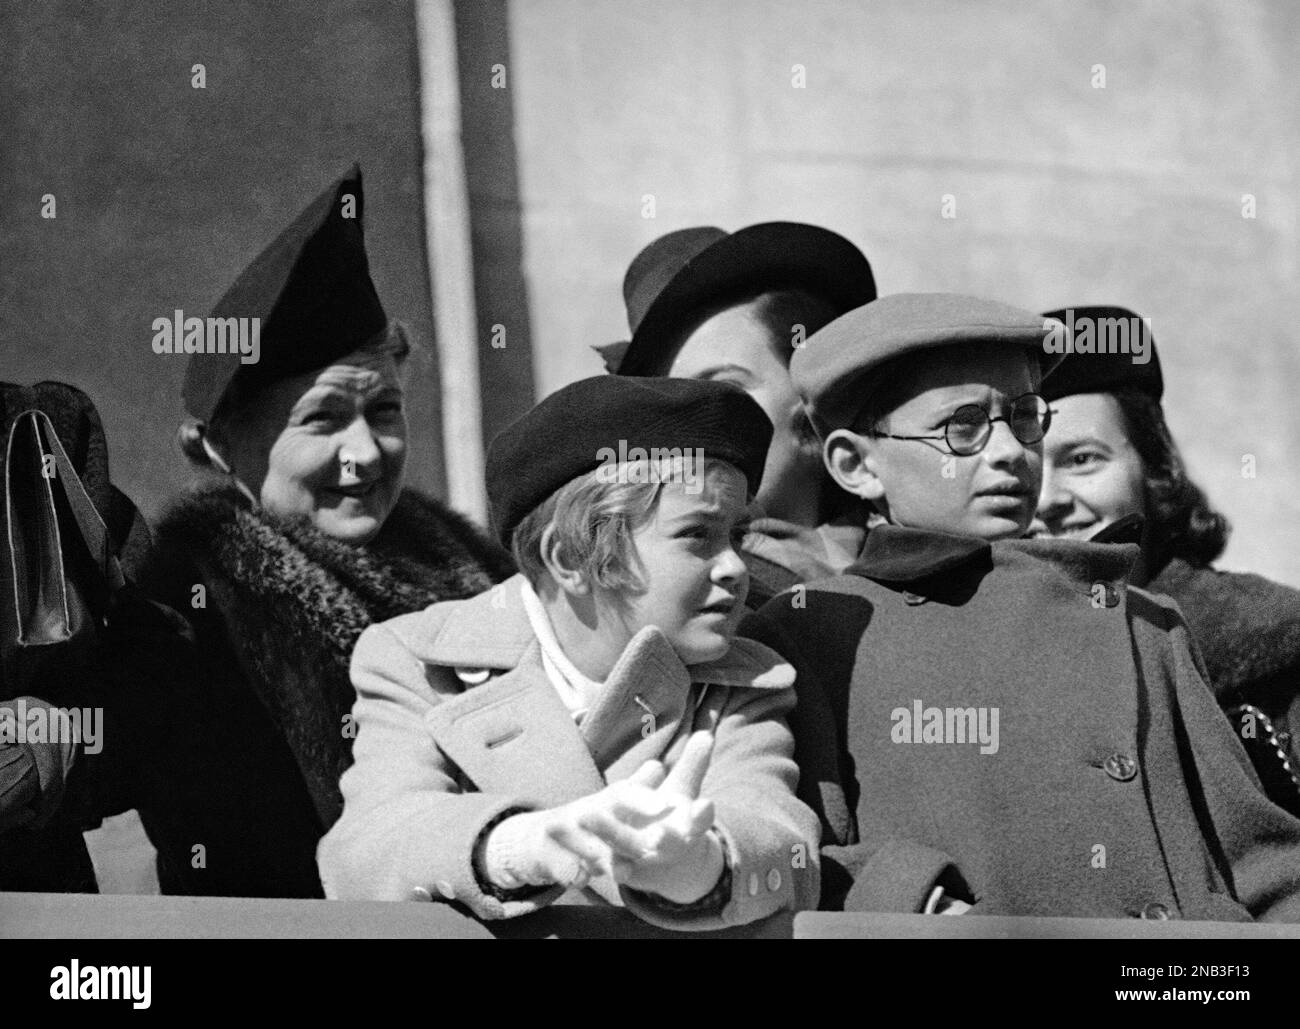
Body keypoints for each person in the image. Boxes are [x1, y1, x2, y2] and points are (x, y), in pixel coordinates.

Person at [741, 293, 1300, 920]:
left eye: (1024, 417)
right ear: (857, 464)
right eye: (963, 426)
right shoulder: (811, 630)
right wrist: (905, 892)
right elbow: (783, 848)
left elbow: (1262, 861)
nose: (1010, 451)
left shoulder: (1146, 622)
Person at [101, 165, 513, 897]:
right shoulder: (194, 607)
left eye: (384, 411)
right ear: (223, 443)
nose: (364, 452)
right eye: (322, 418)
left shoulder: (472, 565)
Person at [319, 376, 820, 929]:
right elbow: (366, 852)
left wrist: (699, 868)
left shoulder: (742, 678)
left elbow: (780, 836)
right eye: (698, 535)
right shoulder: (416, 659)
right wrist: (521, 844)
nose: (735, 567)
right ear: (569, 558)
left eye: (737, 535)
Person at [1033, 305, 1300, 814]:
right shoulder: (985, 655)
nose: (1048, 500)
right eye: (1028, 468)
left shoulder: (1274, 645)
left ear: (1154, 469)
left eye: (1082, 459)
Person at [599, 223, 877, 606]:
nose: (689, 424)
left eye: (724, 390)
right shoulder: (676, 600)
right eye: (670, 400)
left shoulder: (925, 541)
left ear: (820, 392)